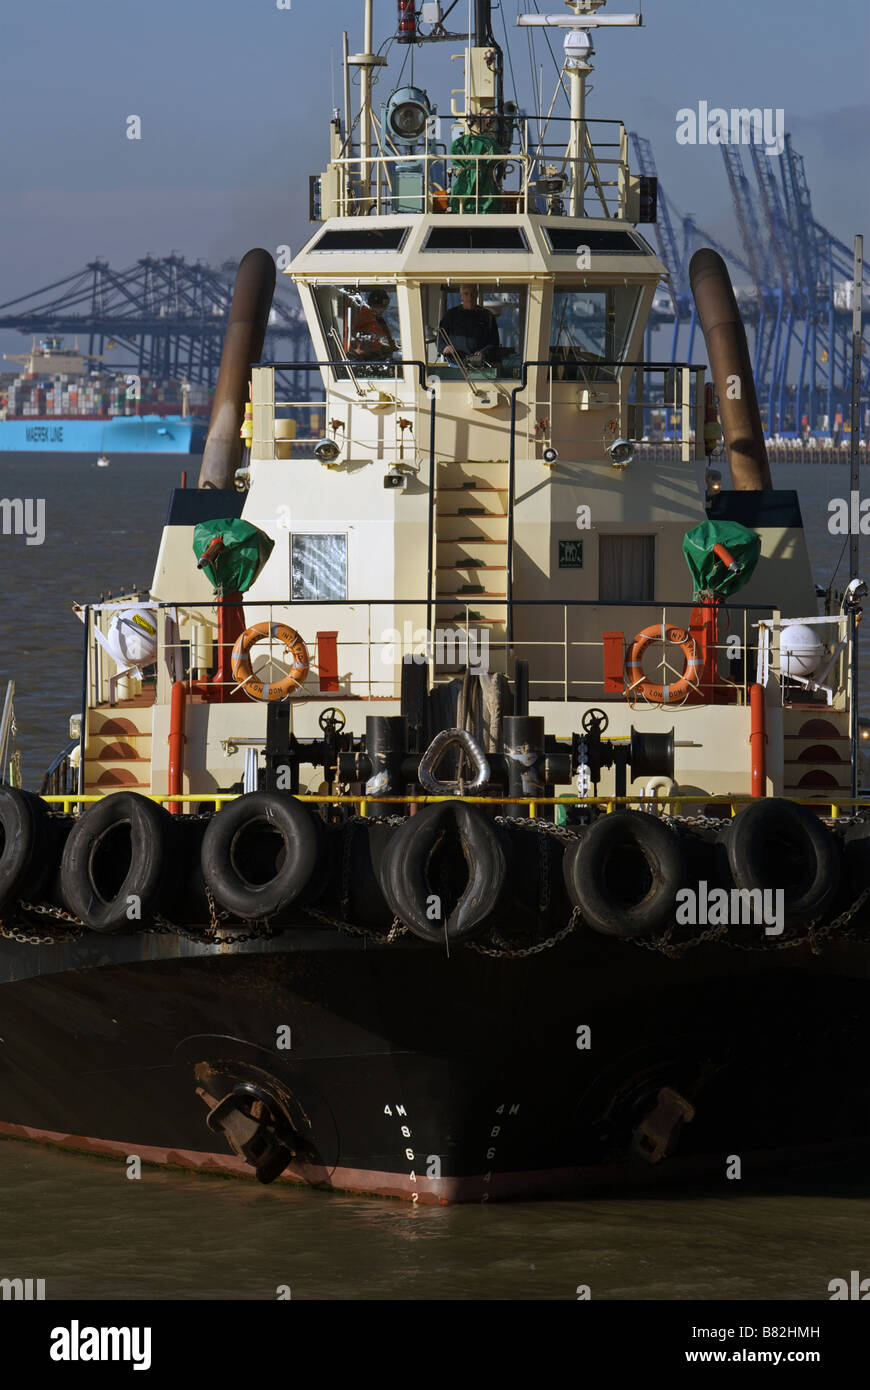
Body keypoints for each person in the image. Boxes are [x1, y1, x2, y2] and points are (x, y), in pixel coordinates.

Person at [437, 285, 500, 363]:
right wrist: (445, 348)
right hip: (455, 365)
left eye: (472, 293)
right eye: (466, 294)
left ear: (477, 295)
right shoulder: (450, 315)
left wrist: (484, 352)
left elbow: (494, 342)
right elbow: (440, 339)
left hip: (481, 367)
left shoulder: (488, 316)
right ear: (461, 296)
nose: (469, 297)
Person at [347, 289, 397, 360]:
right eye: (380, 307)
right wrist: (371, 336)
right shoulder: (365, 316)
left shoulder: (380, 319)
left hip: (377, 354)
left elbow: (387, 337)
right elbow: (356, 333)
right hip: (363, 356)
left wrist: (391, 347)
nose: (382, 310)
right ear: (373, 304)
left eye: (384, 307)